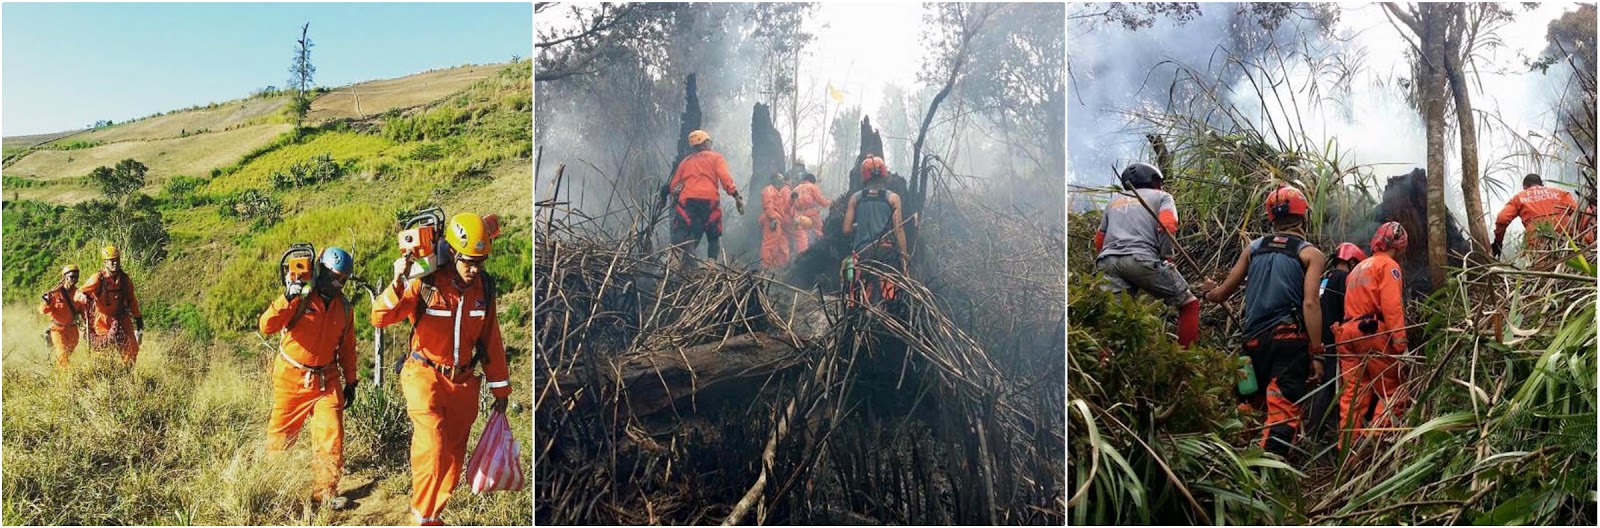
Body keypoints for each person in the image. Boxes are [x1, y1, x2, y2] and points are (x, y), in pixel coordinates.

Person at [373, 213, 512, 526]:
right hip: (424, 376)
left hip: (462, 384)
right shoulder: (425, 282)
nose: (475, 269)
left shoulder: (484, 289)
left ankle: (433, 515)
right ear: (451, 252)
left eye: (481, 262)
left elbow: (491, 341)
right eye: (469, 262)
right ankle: (422, 517)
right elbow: (379, 318)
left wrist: (501, 389)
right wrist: (398, 282)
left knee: (452, 458)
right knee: (433, 448)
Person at [1201, 186, 1325, 457]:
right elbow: (1310, 303)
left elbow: (1221, 294)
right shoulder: (1311, 254)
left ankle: (1230, 461)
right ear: (1303, 216)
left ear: (1271, 218)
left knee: (1248, 405)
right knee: (1283, 407)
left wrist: (1209, 291)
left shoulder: (1253, 249)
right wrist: (1317, 352)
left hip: (1252, 343)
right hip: (1288, 340)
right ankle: (1266, 469)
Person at [260, 247, 358, 510]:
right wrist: (286, 297)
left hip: (326, 379)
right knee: (280, 439)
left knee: (331, 437)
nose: (337, 284)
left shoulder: (343, 308)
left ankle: (325, 494)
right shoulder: (300, 297)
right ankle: (273, 491)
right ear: (320, 271)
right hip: (291, 377)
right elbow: (267, 326)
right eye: (333, 277)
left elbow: (347, 347)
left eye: (343, 279)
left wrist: (351, 381)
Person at [1095, 162, 1200, 348]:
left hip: (1107, 261)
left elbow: (1099, 239)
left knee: (1114, 319)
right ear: (1153, 180)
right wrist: (1167, 258)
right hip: (1140, 258)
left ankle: (1107, 362)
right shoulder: (1162, 197)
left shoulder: (1113, 202)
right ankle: (1186, 357)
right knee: (1189, 303)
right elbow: (1167, 226)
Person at [1334, 221, 1410, 449]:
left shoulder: (1358, 268)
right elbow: (1392, 307)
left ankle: (1347, 450)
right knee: (1394, 390)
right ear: (1399, 244)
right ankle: (1372, 443)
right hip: (1371, 332)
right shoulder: (1389, 266)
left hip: (1347, 334)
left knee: (1353, 395)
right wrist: (1400, 345)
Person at [1304, 242, 1365, 441]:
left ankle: (1313, 431)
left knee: (1323, 384)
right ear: (1353, 262)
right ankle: (1315, 434)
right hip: (1333, 342)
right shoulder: (1343, 279)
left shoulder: (1325, 279)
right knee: (1330, 384)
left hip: (1319, 340)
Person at [665, 129, 746, 263]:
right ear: (706, 142)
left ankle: (674, 262)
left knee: (681, 229)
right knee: (713, 235)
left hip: (687, 202)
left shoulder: (686, 161)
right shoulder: (716, 158)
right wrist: (736, 196)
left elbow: (674, 184)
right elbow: (725, 179)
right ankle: (710, 265)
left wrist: (673, 197)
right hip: (709, 201)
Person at [842, 156, 910, 303]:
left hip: (862, 253)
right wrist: (904, 259)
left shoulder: (855, 198)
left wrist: (859, 225)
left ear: (864, 176)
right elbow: (898, 230)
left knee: (861, 294)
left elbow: (846, 229)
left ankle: (862, 310)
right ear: (883, 174)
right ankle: (886, 309)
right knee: (888, 294)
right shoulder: (893, 198)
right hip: (886, 253)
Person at [1492, 173, 1579, 266]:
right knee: (1570, 265)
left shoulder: (1520, 197)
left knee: (1541, 269)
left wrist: (1498, 242)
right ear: (1542, 184)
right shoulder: (1561, 193)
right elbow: (1579, 213)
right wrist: (1582, 237)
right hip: (1565, 235)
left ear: (1525, 187)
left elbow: (1502, 219)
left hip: (1537, 237)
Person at [78, 245, 142, 362]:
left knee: (132, 348)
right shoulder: (98, 278)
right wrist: (83, 297)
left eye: (117, 260)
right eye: (112, 261)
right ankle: (106, 371)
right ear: (105, 262)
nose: (115, 263)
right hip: (103, 320)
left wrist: (138, 320)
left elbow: (132, 300)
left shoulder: (125, 279)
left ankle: (128, 371)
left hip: (122, 318)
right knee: (104, 350)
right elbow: (79, 293)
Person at [38, 264, 85, 368]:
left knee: (66, 356)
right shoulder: (54, 293)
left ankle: (56, 369)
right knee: (62, 355)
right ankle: (66, 375)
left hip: (73, 331)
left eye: (77, 277)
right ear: (65, 277)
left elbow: (83, 311)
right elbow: (42, 310)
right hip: (58, 330)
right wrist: (47, 302)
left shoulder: (79, 293)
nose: (75, 279)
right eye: (72, 277)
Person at [791, 171, 831, 254]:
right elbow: (821, 201)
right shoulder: (812, 187)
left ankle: (801, 255)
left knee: (801, 237)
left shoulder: (795, 189)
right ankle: (823, 251)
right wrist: (829, 203)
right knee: (820, 233)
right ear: (812, 181)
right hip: (812, 215)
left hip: (799, 216)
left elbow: (790, 204)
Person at [760, 171, 794, 269]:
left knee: (780, 244)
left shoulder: (778, 192)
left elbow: (784, 208)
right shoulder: (769, 190)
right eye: (781, 180)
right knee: (769, 244)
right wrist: (772, 218)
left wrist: (791, 200)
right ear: (775, 180)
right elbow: (768, 205)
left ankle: (778, 266)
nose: (783, 182)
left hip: (778, 221)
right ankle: (765, 267)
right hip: (771, 220)